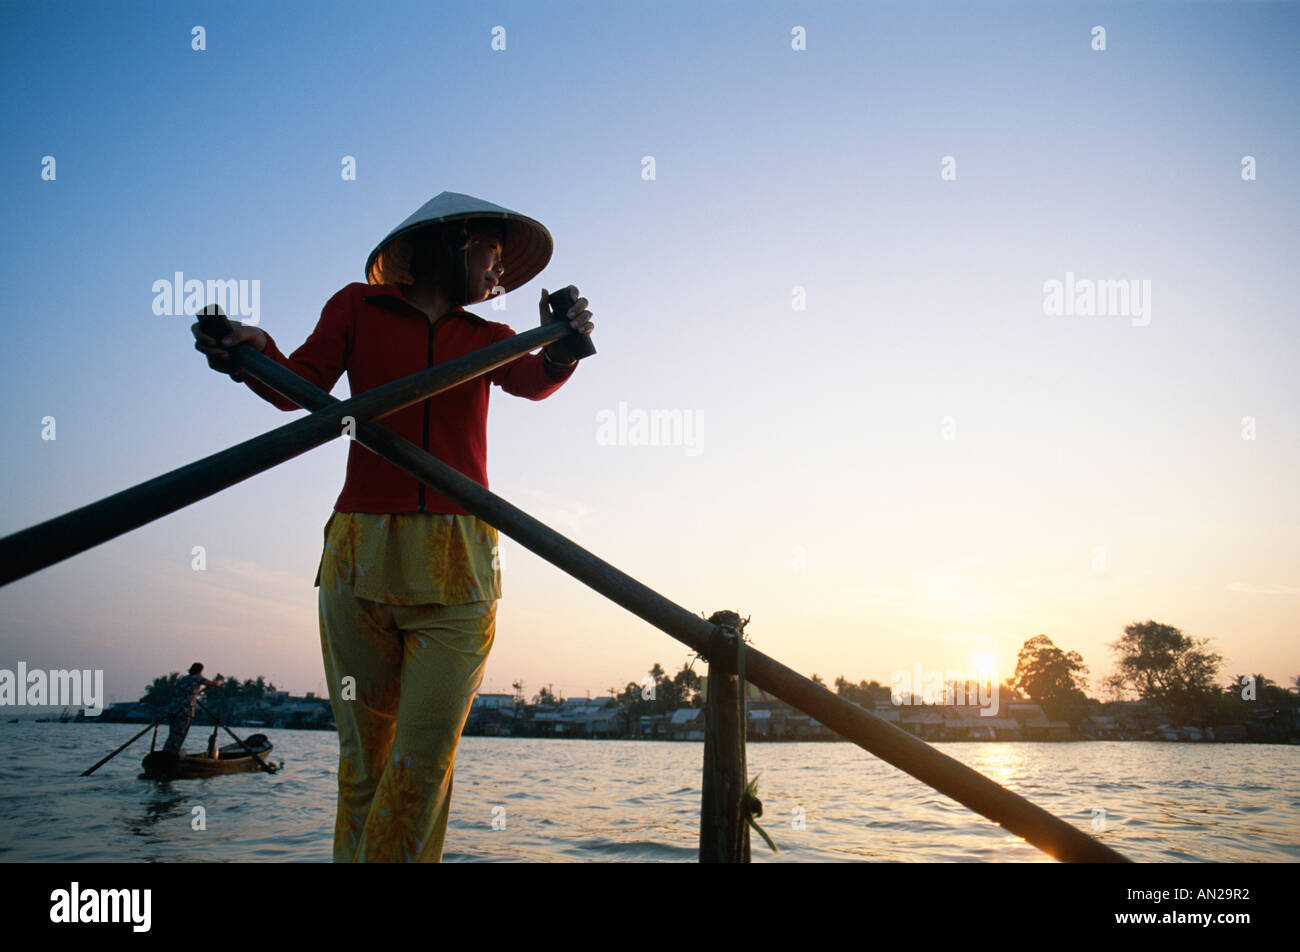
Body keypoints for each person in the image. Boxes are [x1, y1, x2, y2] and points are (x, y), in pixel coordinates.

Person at [191, 192, 594, 862]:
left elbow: (536, 378)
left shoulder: (489, 340)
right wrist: (253, 349)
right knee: (364, 767)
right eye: (495, 255)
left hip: (459, 561)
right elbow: (301, 386)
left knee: (421, 767)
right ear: (461, 240)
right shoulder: (357, 307)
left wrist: (566, 338)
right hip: (361, 555)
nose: (501, 276)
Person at [162, 663, 224, 756]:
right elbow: (215, 684)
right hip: (184, 711)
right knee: (180, 735)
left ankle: (167, 752)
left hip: (174, 710)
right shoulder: (196, 678)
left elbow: (195, 692)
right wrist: (220, 680)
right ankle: (171, 755)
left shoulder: (184, 679)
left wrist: (207, 686)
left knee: (173, 735)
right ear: (199, 671)